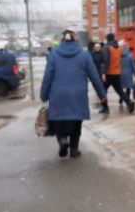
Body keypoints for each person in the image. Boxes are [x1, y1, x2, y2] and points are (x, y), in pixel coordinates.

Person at [40, 30, 107, 158]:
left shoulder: (53, 55)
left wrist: (44, 95)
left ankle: (62, 140)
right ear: (76, 40)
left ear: (62, 40)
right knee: (76, 121)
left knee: (58, 119)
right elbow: (95, 77)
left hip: (57, 94)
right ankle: (74, 149)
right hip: (78, 94)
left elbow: (47, 77)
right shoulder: (84, 55)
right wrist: (101, 94)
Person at [100, 32, 133, 114]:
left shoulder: (107, 48)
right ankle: (129, 103)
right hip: (117, 73)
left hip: (108, 73)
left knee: (102, 90)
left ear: (107, 39)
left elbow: (106, 61)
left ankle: (105, 108)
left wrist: (104, 73)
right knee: (120, 91)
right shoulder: (118, 48)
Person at [119, 41, 135, 113]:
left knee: (120, 87)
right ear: (127, 47)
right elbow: (133, 66)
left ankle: (121, 98)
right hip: (128, 74)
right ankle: (127, 99)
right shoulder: (130, 56)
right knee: (128, 88)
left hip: (120, 73)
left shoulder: (118, 55)